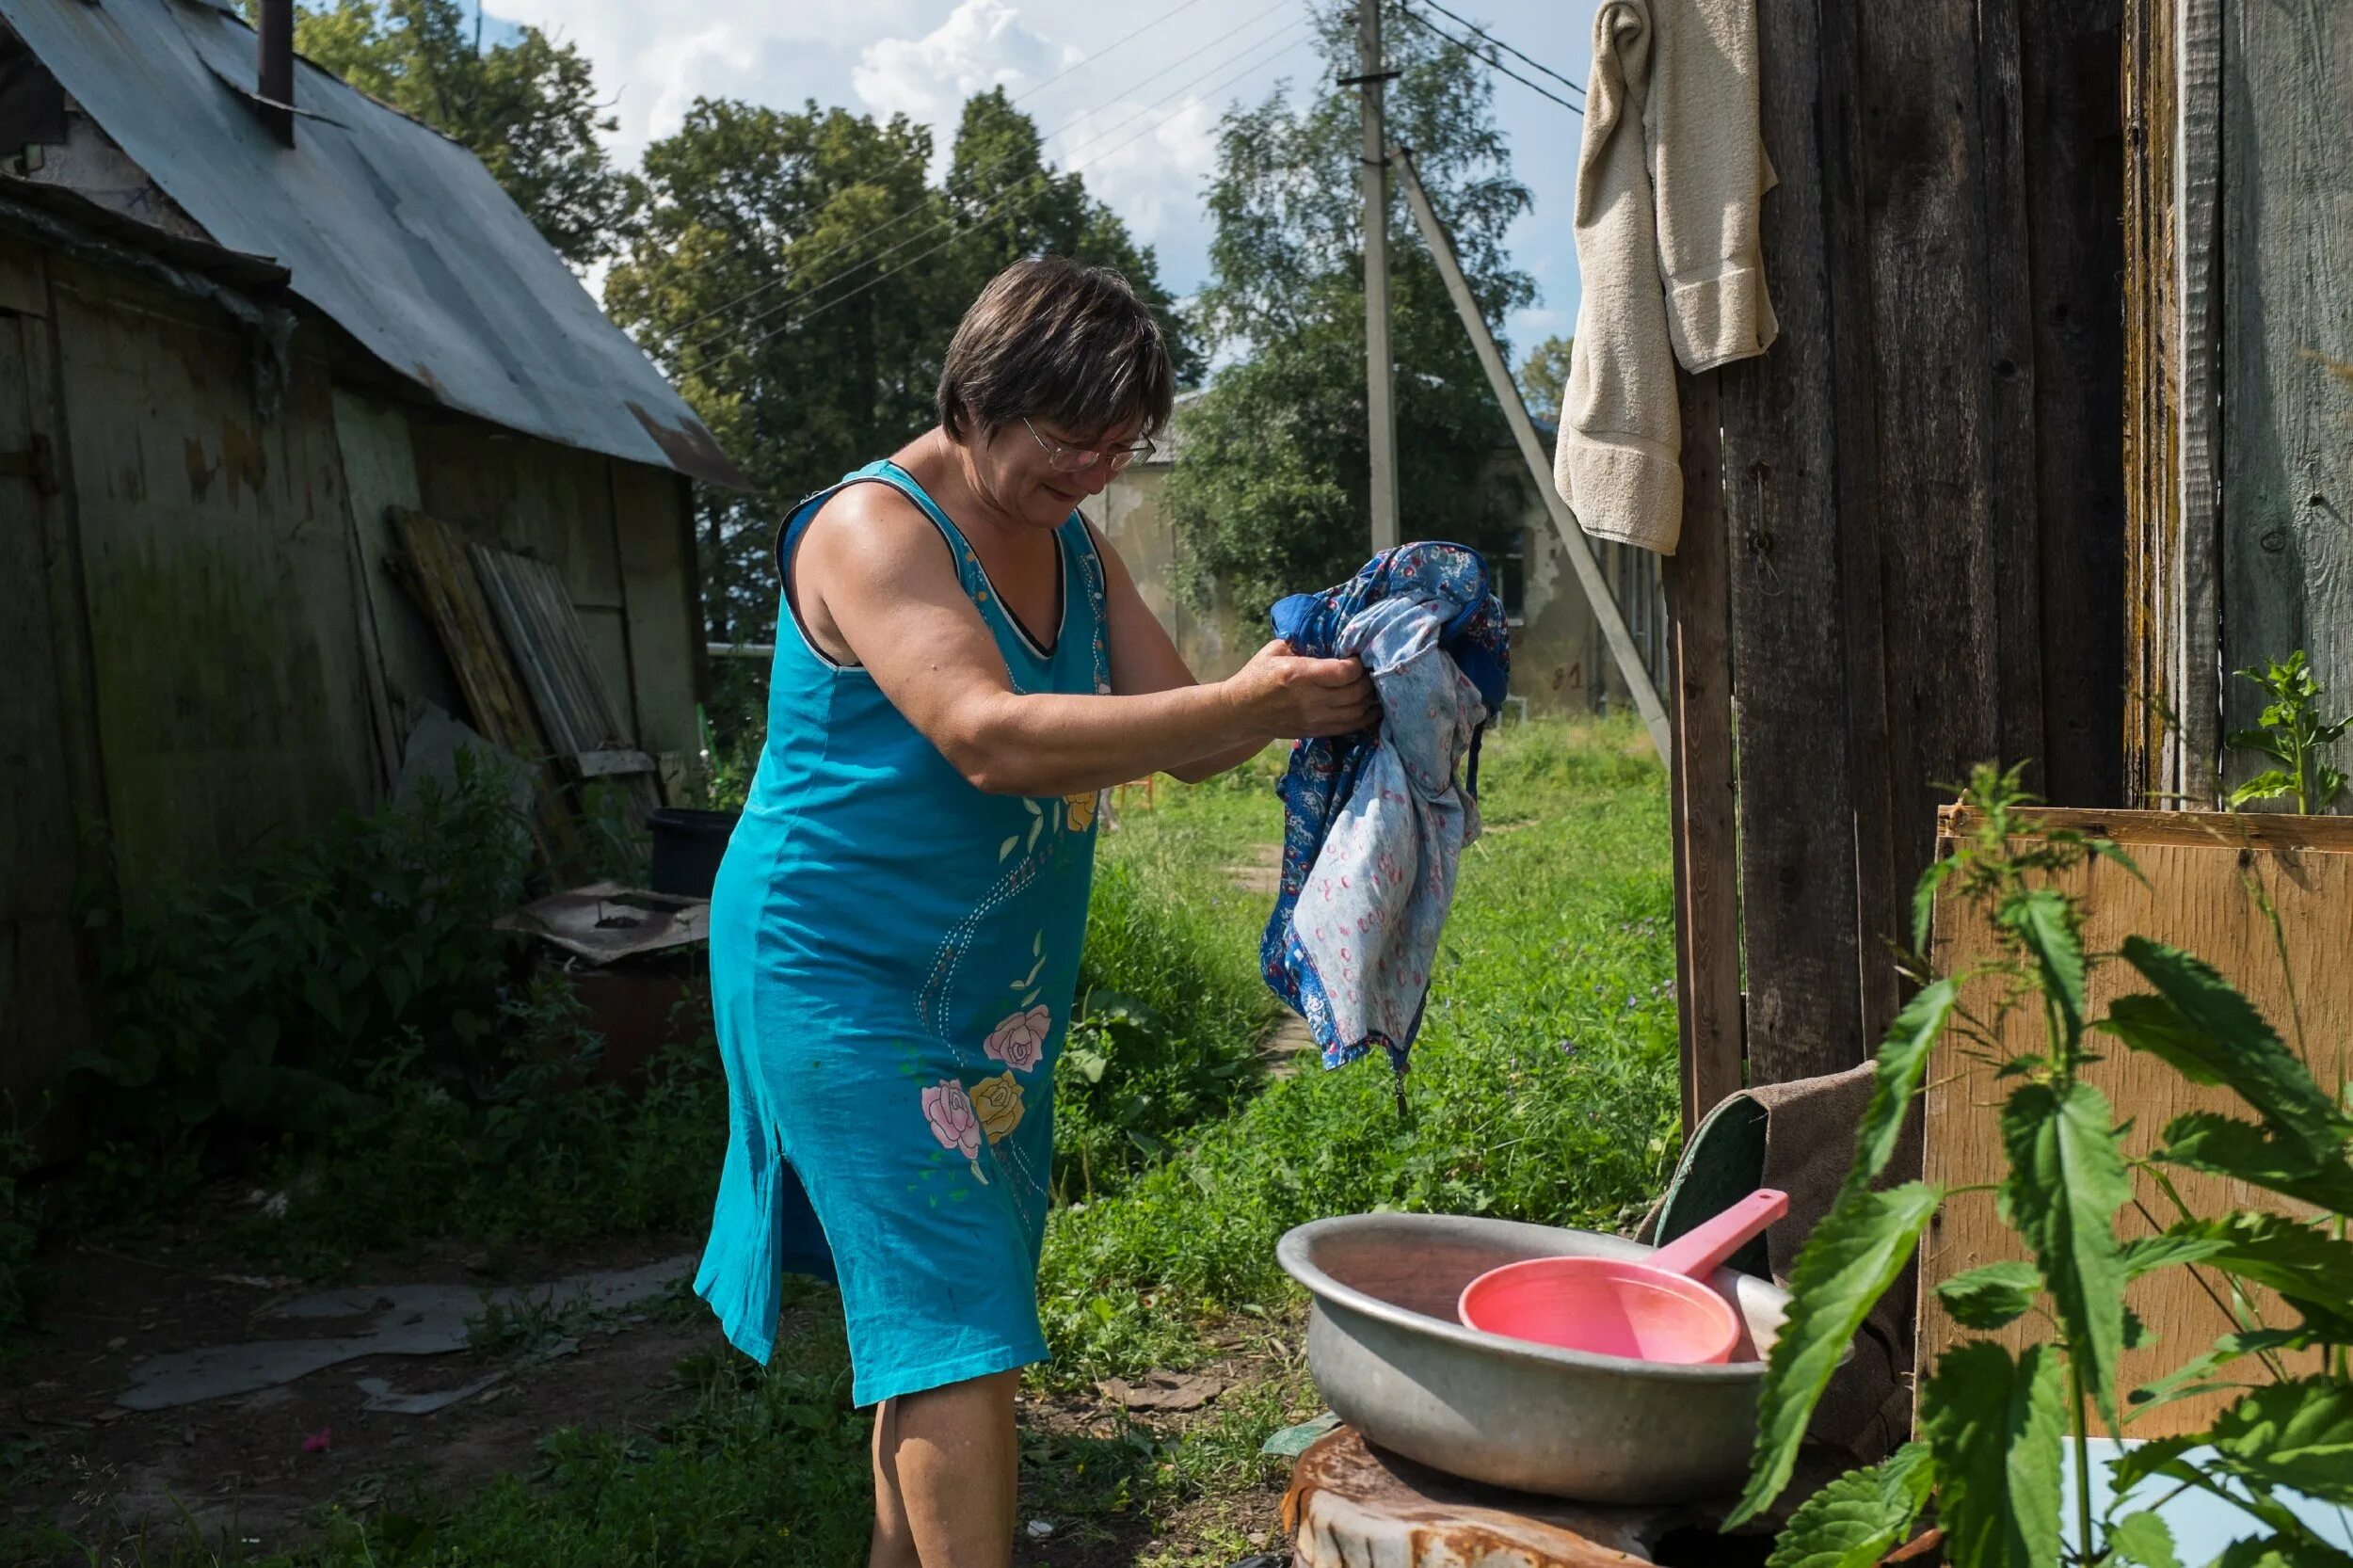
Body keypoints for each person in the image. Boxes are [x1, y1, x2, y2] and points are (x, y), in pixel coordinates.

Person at [695, 256, 1375, 1568]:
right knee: (961, 1319)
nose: (1093, 471)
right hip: (835, 969)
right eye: (1072, 439)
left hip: (986, 992)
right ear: (978, 397)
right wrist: (1244, 703)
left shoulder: (1069, 536)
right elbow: (985, 735)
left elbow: (1186, 740)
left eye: (1120, 446)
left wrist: (1315, 676)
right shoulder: (870, 529)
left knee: (938, 1314)